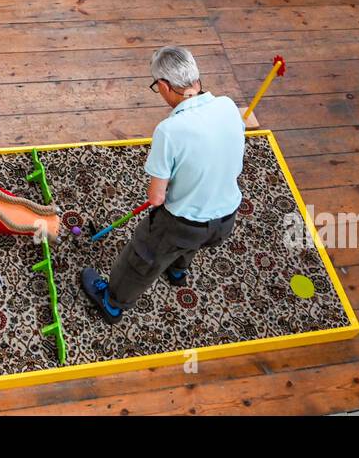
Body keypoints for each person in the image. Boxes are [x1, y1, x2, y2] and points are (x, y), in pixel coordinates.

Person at [80, 46, 246, 323]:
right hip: (226, 219)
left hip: (183, 226)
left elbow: (156, 198)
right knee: (190, 240)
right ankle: (178, 271)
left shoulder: (170, 131)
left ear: (165, 85)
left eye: (157, 87)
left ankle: (112, 302)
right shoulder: (228, 105)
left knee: (142, 257)